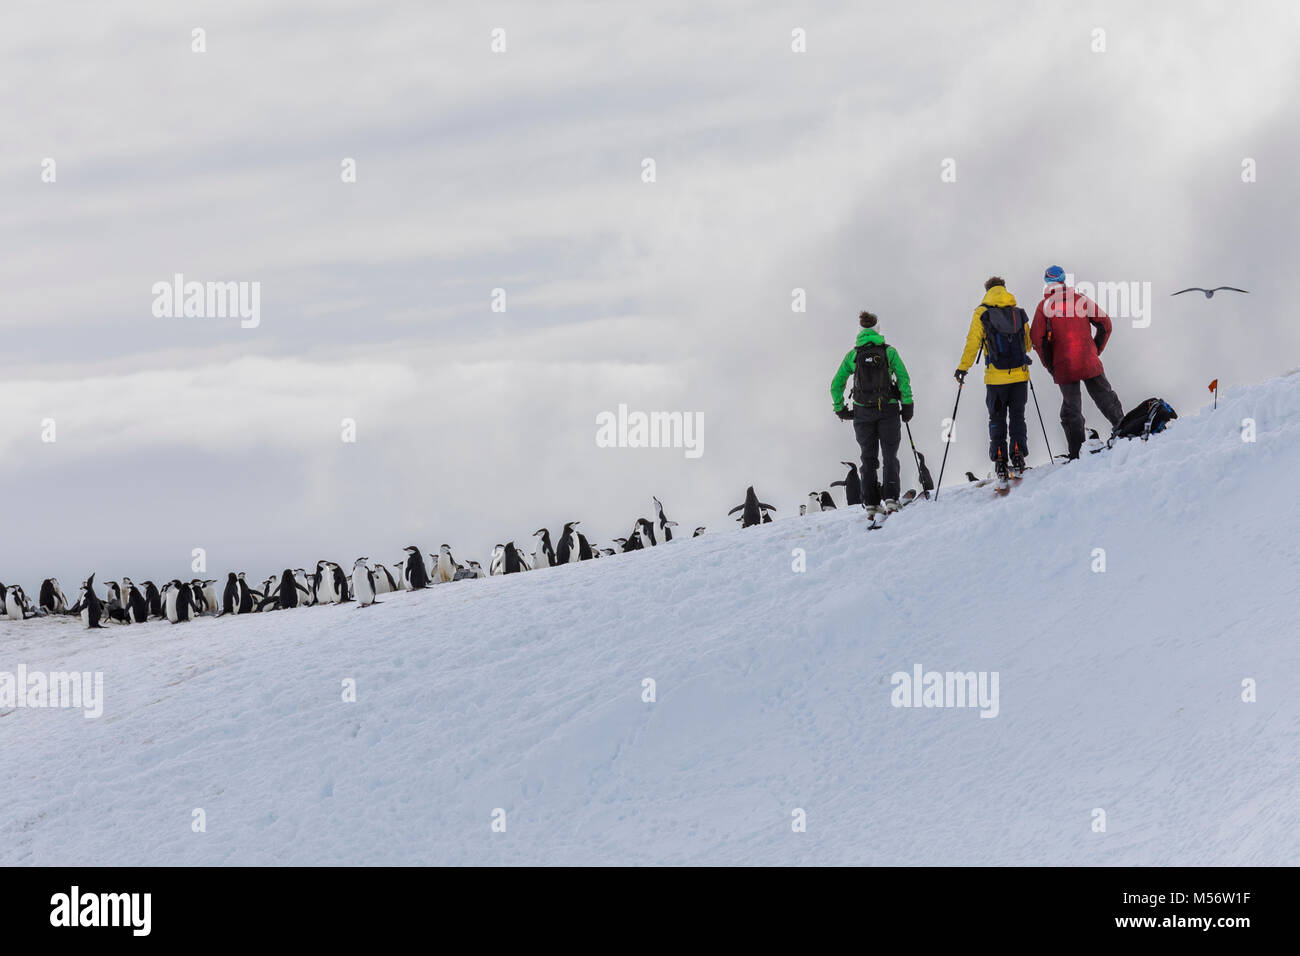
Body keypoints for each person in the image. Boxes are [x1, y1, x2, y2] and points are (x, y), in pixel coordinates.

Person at [1030, 265, 1124, 459]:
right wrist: (1095, 349)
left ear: (1047, 282)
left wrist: (1050, 365)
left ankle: (1078, 453)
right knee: (1105, 397)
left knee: (1072, 410)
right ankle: (1124, 431)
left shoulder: (1044, 307)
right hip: (1088, 360)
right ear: (1064, 280)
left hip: (1064, 366)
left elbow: (1037, 340)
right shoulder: (1081, 300)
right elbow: (1105, 324)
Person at [830, 311, 913, 514]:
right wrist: (908, 404)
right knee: (890, 456)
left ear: (859, 331)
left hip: (861, 412)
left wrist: (840, 409)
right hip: (888, 409)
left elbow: (836, 384)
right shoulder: (888, 352)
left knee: (868, 458)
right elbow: (903, 378)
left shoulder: (853, 355)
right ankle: (892, 499)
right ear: (878, 329)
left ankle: (871, 504)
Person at [954, 276, 1033, 481]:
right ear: (1004, 288)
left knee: (996, 418)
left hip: (995, 379)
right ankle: (1017, 453)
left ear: (987, 290)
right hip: (1019, 375)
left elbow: (973, 343)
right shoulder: (1018, 312)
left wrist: (963, 368)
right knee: (1018, 416)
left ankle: (999, 458)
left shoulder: (982, 312)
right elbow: (1028, 345)